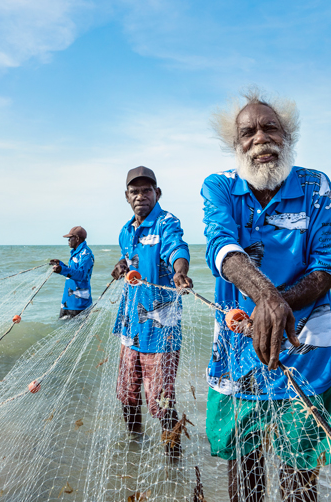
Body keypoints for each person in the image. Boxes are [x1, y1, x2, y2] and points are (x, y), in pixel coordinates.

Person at [202, 89, 331, 502]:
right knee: (244, 477)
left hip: (306, 357)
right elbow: (221, 247)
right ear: (235, 145)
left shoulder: (317, 187)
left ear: (288, 136)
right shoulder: (220, 187)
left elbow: (328, 264)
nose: (260, 138)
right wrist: (268, 299)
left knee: (299, 481)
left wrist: (275, 306)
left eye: (271, 128)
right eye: (247, 132)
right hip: (237, 354)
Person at [111, 166, 193, 455]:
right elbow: (130, 257)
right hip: (130, 327)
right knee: (127, 395)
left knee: (162, 402)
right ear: (126, 196)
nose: (140, 196)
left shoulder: (166, 222)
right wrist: (122, 265)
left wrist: (180, 271)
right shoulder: (125, 231)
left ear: (157, 193)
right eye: (134, 191)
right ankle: (134, 451)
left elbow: (177, 249)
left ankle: (173, 462)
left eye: (147, 190)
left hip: (160, 332)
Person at [50, 225, 94, 319]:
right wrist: (60, 265)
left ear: (77, 239)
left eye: (70, 238)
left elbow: (81, 275)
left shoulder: (86, 254)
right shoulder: (76, 253)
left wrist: (62, 270)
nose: (68, 240)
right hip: (67, 302)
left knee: (77, 329)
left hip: (79, 305)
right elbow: (73, 271)